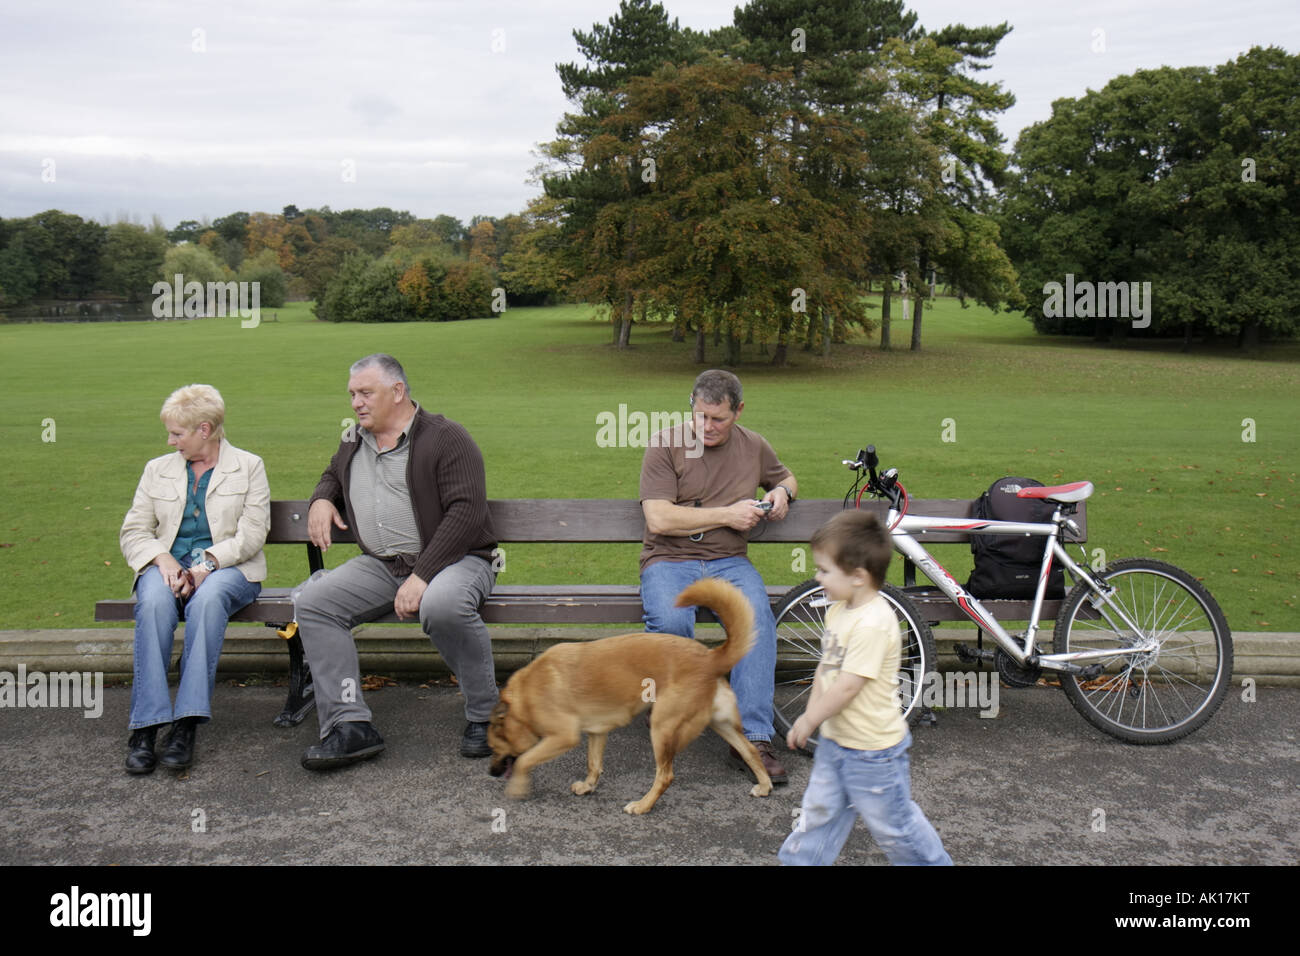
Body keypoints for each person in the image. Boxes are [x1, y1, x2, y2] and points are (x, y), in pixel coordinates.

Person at [296, 354, 498, 770]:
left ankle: (487, 716)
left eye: (365, 393)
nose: (356, 403)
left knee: (440, 604)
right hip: (384, 565)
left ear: (398, 392)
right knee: (314, 602)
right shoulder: (354, 439)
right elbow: (334, 473)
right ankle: (350, 725)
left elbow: (467, 512)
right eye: (352, 394)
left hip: (458, 560)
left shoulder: (446, 438)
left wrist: (423, 575)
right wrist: (320, 497)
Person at [638, 369, 797, 784]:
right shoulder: (665, 444)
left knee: (756, 622)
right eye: (700, 416)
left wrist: (782, 493)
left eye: (718, 419)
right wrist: (727, 514)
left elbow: (785, 477)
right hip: (669, 561)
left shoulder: (754, 445)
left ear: (738, 411)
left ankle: (752, 739)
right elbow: (658, 517)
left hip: (729, 561)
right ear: (691, 403)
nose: (707, 427)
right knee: (672, 622)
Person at [779, 511, 952, 866]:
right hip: (835, 743)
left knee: (894, 828)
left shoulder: (874, 623)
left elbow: (846, 687)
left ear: (858, 576)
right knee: (818, 817)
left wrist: (809, 720)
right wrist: (813, 717)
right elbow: (826, 669)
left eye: (825, 571)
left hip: (874, 753)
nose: (817, 577)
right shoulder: (838, 610)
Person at [119, 385, 269, 774]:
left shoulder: (249, 466)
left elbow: (252, 535)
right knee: (152, 603)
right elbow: (134, 531)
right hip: (165, 566)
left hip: (230, 571)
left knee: (206, 601)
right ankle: (147, 726)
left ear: (205, 429)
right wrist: (164, 560)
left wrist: (207, 564)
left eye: (177, 434)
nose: (170, 441)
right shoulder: (158, 469)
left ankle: (185, 724)